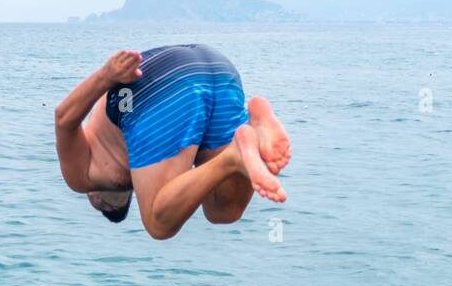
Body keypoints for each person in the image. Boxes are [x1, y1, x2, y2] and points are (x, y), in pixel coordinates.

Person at [54, 45, 291, 239]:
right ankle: (251, 133)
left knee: (158, 225)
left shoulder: (81, 178)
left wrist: (105, 76)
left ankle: (234, 155)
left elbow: (64, 118)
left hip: (151, 85)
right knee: (224, 212)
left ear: (98, 200)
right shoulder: (140, 164)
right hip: (216, 66)